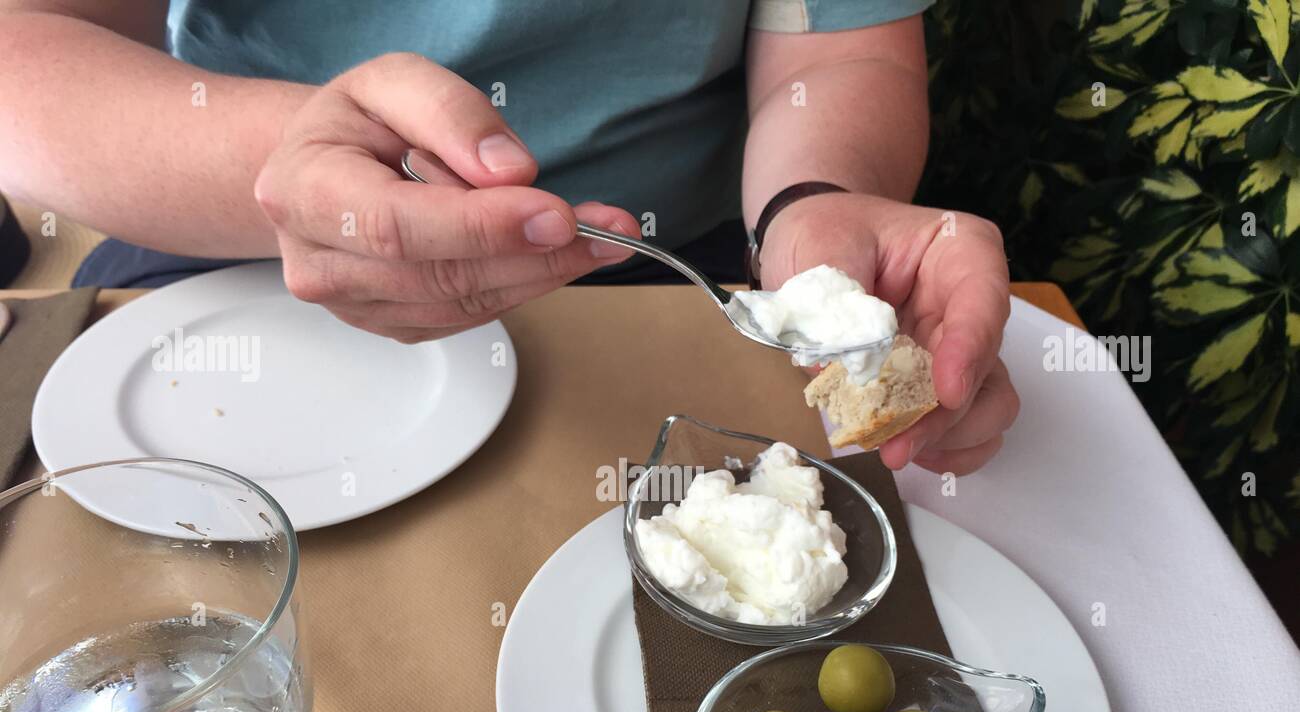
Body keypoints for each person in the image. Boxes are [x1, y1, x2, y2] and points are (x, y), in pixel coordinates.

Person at [0, 0, 1017, 474]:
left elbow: (837, 50)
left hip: (678, 274)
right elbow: (26, 48)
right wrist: (299, 165)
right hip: (226, 239)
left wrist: (811, 204)